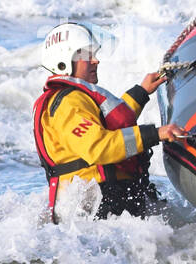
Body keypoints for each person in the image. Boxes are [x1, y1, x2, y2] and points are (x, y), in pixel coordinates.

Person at [32, 21, 184, 221]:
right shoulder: (68, 104)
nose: (95, 61)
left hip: (107, 202)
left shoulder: (74, 98)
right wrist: (154, 134)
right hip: (96, 208)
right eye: (87, 55)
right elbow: (99, 147)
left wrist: (141, 92)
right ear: (64, 61)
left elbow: (112, 123)